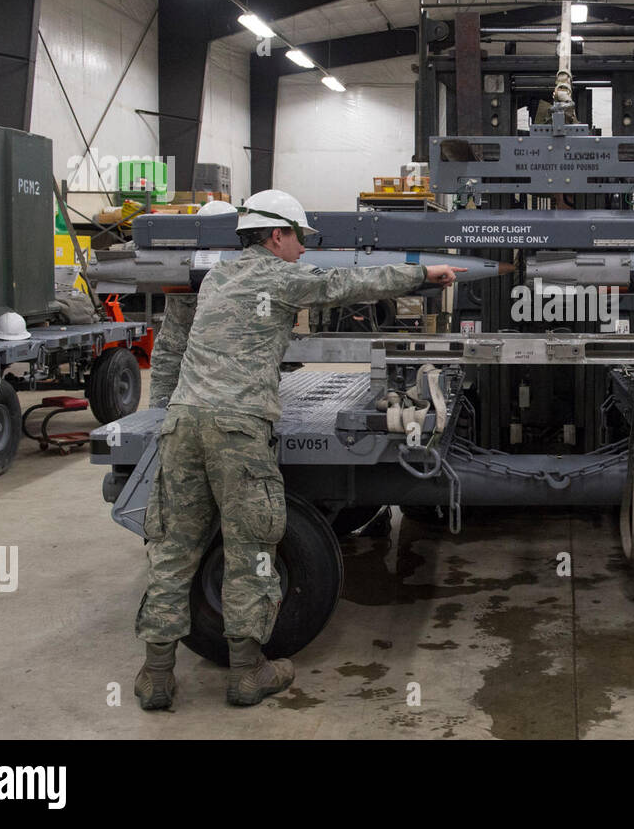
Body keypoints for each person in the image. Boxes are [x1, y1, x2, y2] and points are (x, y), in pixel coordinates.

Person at [134, 189, 464, 709]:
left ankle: (155, 675)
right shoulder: (278, 276)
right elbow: (347, 283)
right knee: (250, 549)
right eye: (298, 238)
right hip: (237, 432)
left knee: (174, 547)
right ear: (276, 235)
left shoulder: (218, 276)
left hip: (183, 423)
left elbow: (178, 343)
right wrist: (424, 274)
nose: (303, 250)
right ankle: (247, 673)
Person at [146, 200, 237, 409]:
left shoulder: (237, 261)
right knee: (160, 416)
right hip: (174, 354)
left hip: (221, 360)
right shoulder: (182, 256)